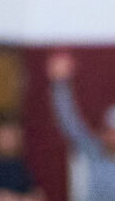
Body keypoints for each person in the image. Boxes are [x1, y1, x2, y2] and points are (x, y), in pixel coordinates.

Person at [46, 52, 115, 201]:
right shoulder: (90, 148)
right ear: (105, 132)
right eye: (112, 131)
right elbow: (68, 120)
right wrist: (59, 83)